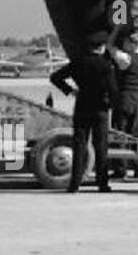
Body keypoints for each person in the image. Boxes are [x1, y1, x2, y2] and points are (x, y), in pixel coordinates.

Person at [49, 29, 119, 193]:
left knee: (79, 145)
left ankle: (74, 184)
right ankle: (102, 183)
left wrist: (70, 90)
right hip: (100, 108)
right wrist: (110, 106)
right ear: (101, 47)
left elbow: (55, 77)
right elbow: (114, 90)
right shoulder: (105, 65)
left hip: (82, 107)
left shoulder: (78, 62)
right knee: (100, 147)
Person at [110, 29, 138, 179]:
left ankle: (121, 169)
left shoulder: (125, 58)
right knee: (134, 134)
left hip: (124, 97)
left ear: (130, 44)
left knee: (120, 134)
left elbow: (110, 48)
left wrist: (116, 31)